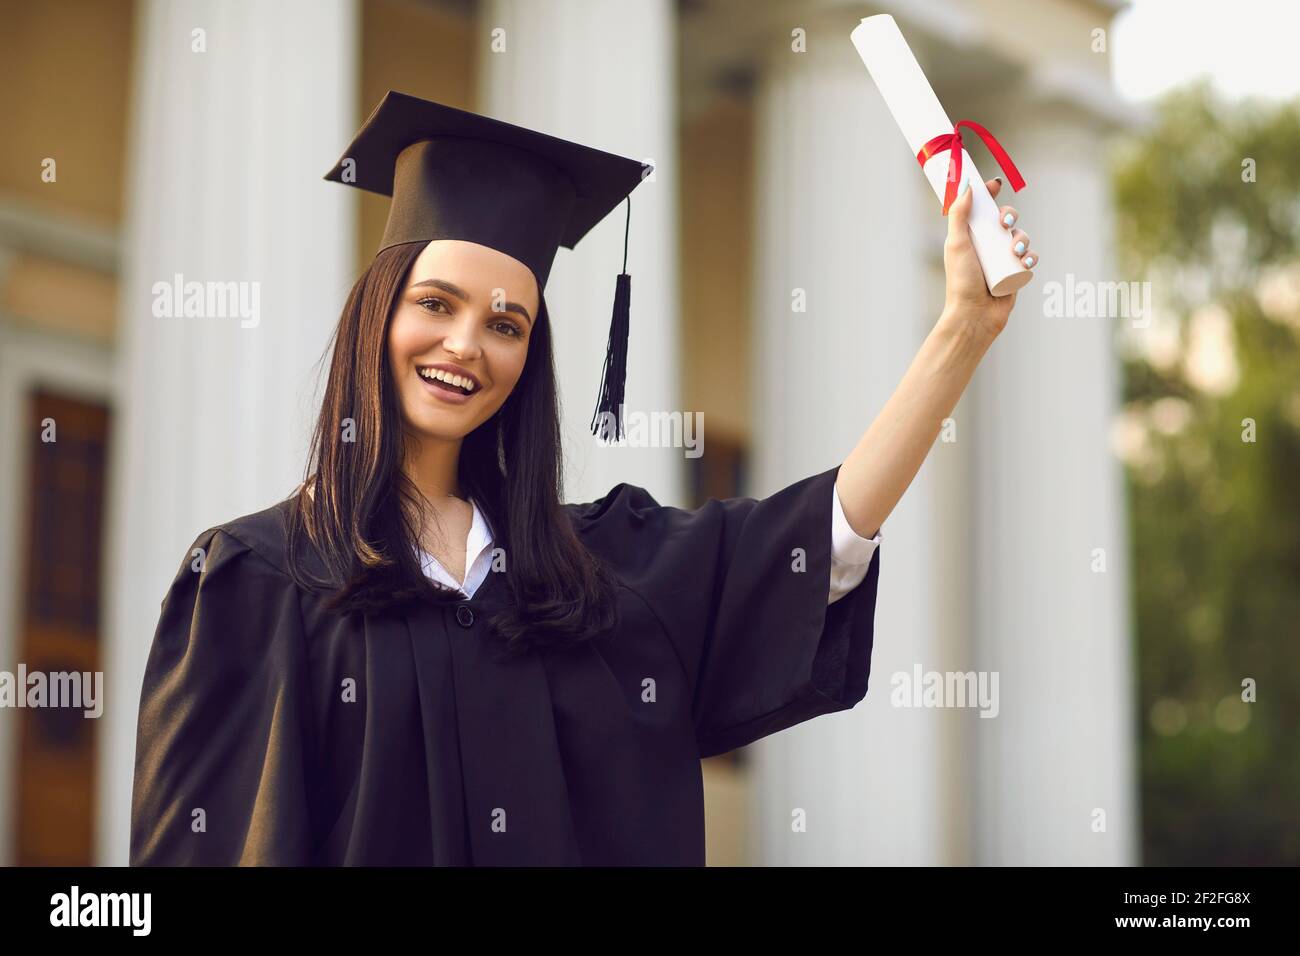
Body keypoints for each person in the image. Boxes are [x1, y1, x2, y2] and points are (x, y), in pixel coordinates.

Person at [129, 91, 1038, 866]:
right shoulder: (256, 580)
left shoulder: (595, 574)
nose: (465, 346)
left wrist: (964, 328)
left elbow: (822, 535)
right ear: (378, 314)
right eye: (435, 305)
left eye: (507, 323)